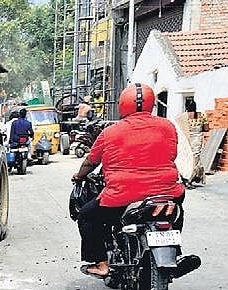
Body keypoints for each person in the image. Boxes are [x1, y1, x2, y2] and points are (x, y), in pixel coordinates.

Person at [72, 83, 186, 278]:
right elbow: (171, 154)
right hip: (167, 193)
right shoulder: (168, 126)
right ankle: (175, 253)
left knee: (86, 215)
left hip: (122, 196)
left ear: (123, 104)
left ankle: (101, 263)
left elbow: (91, 161)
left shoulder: (110, 132)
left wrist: (79, 176)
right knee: (176, 212)